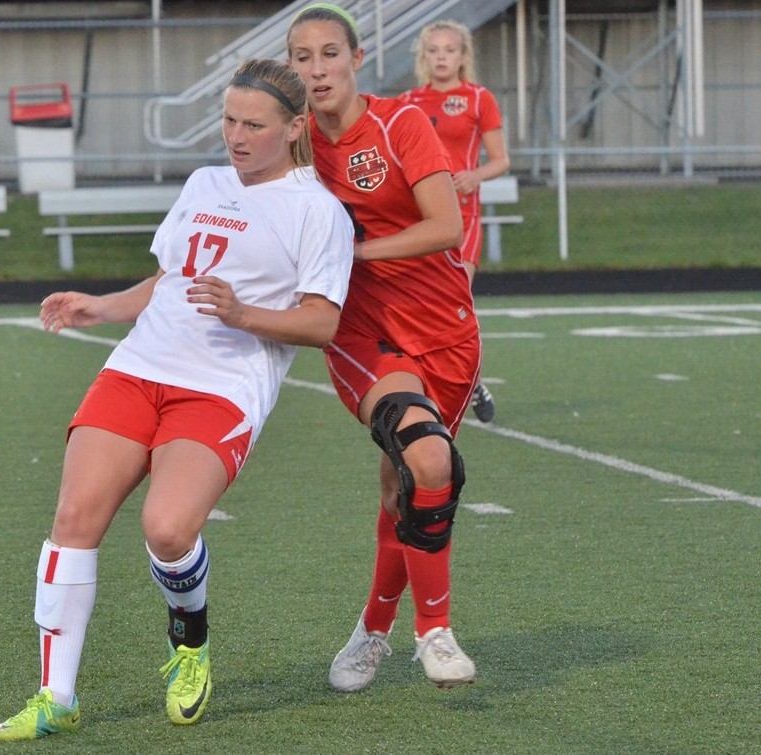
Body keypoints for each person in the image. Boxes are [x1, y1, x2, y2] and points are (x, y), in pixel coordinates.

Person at [0, 57, 355, 741]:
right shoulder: (203, 182)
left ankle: (188, 642)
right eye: (227, 120)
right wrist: (98, 307)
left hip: (219, 390)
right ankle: (55, 694)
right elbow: (167, 279)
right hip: (136, 368)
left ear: (295, 128)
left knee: (166, 528)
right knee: (73, 517)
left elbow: (322, 322)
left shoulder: (317, 211)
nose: (236, 136)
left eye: (254, 124)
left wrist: (242, 313)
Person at [286, 4, 481, 691]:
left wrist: (354, 248)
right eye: (302, 57)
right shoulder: (294, 143)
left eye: (328, 54)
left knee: (405, 482)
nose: (316, 69)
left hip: (446, 329)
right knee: (427, 457)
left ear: (356, 59)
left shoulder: (400, 123)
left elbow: (445, 226)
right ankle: (435, 630)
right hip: (361, 333)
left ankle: (371, 629)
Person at [401, 19, 510, 423]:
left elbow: (501, 160)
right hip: (421, 219)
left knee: (453, 304)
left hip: (463, 217)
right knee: (421, 306)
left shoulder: (479, 99)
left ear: (463, 56)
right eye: (434, 50)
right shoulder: (409, 101)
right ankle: (456, 382)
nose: (442, 57)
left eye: (450, 50)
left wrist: (474, 176)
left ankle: (467, 379)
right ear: (423, 57)